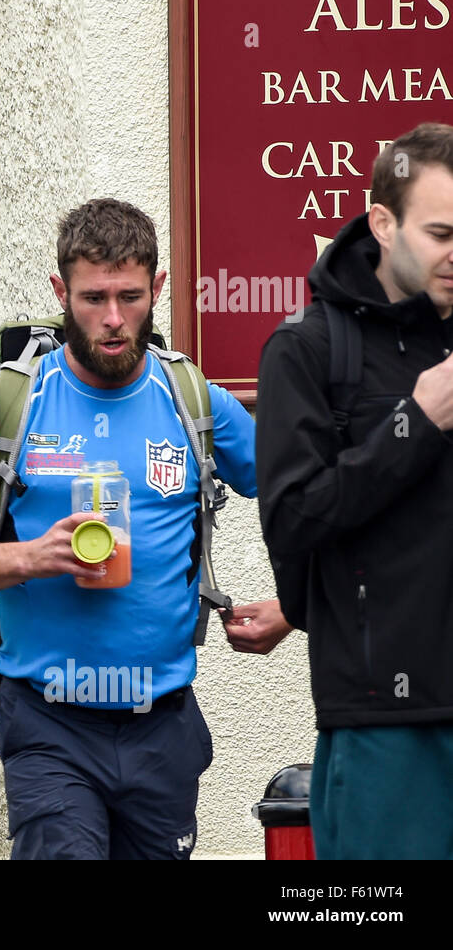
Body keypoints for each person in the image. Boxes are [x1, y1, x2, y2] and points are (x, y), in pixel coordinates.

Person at [0, 198, 289, 860]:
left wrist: (296, 605)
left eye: (129, 298)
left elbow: (307, 503)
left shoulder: (193, 401)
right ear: (59, 292)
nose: (111, 320)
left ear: (157, 288)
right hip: (48, 722)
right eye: (92, 298)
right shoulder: (9, 402)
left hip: (161, 725)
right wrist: (29, 558)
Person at [257, 122, 453, 860]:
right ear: (382, 223)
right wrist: (418, 423)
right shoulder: (307, 348)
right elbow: (294, 517)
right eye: (440, 232)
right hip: (388, 729)